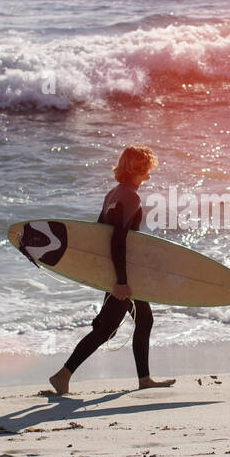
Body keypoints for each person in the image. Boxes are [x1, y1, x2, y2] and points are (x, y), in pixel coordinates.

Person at [48, 145, 176, 395]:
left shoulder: (113, 194)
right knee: (111, 327)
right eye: (147, 168)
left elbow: (98, 234)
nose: (149, 174)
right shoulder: (131, 196)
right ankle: (63, 375)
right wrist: (120, 281)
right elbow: (117, 240)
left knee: (131, 323)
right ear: (141, 169)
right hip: (122, 272)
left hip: (114, 270)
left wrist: (103, 273)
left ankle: (142, 378)